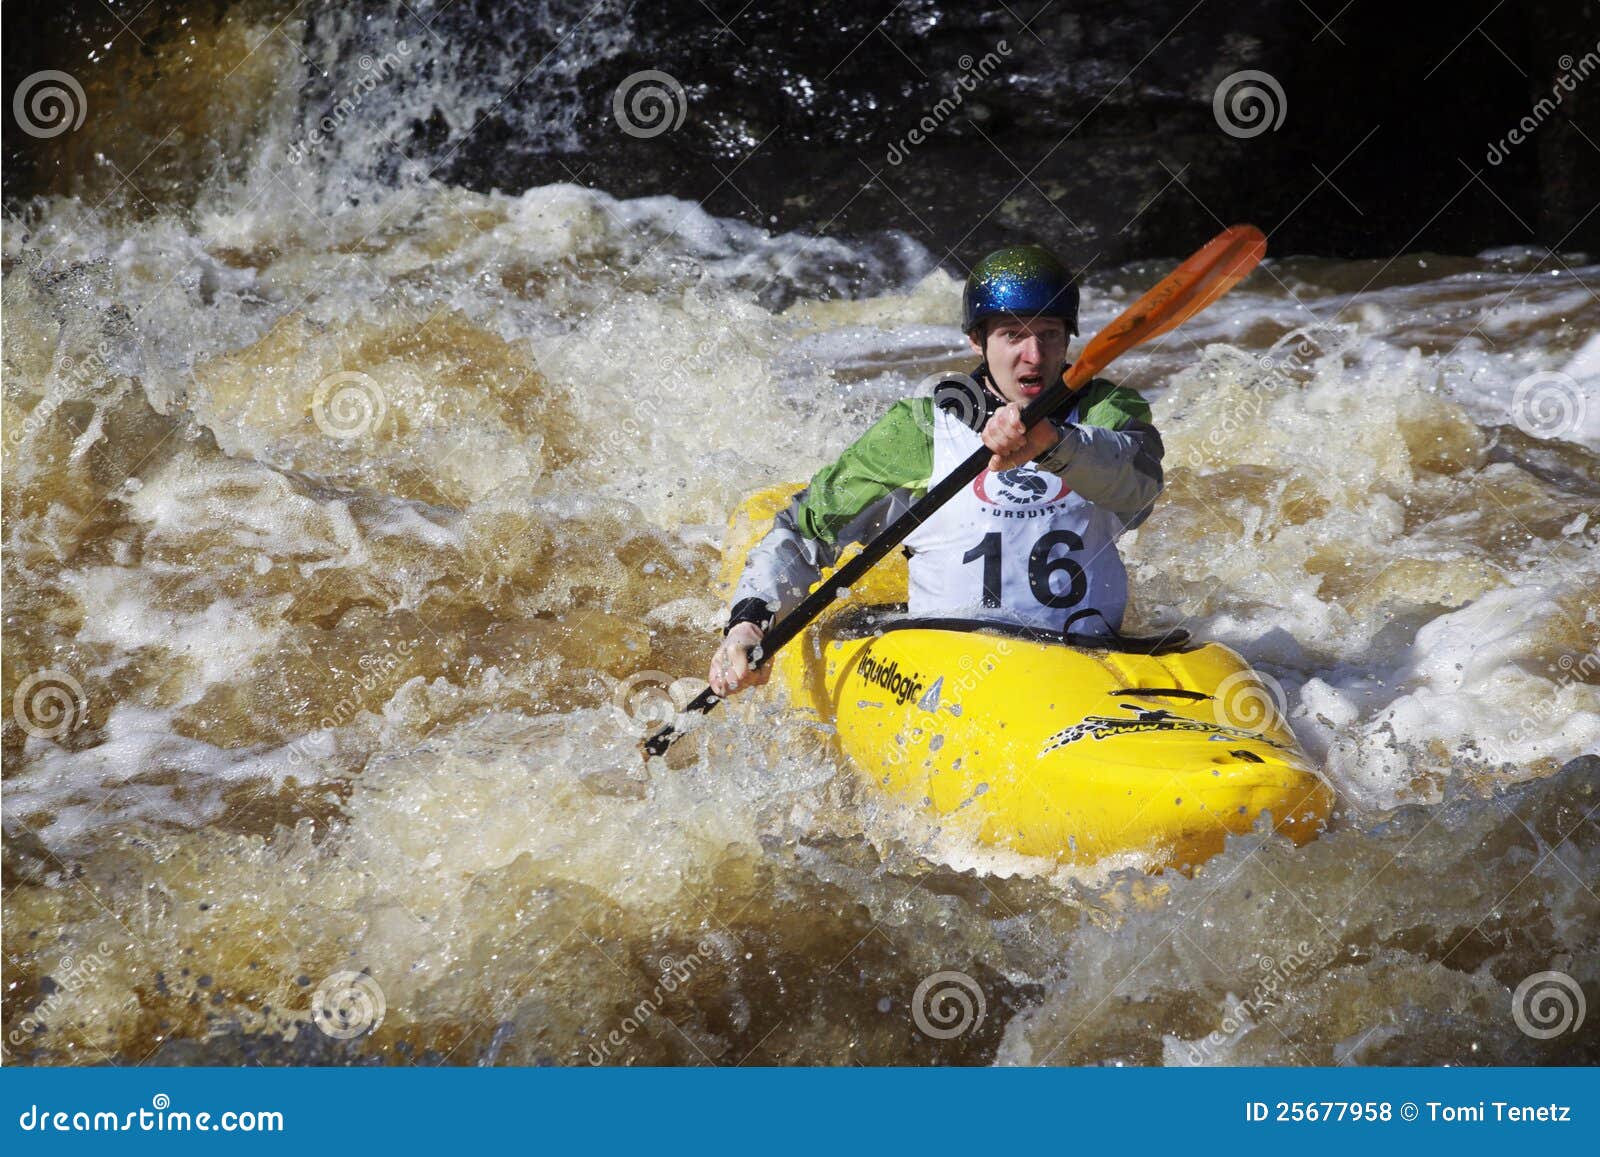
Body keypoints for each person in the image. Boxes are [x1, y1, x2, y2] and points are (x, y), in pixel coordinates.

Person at [708, 244, 1164, 697]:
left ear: (1068, 339)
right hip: (949, 666)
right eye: (1012, 334)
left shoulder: (1105, 411)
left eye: (1048, 333)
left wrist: (1054, 443)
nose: (1033, 354)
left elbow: (1138, 487)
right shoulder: (922, 428)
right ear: (977, 340)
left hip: (1089, 662)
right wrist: (748, 622)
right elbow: (805, 532)